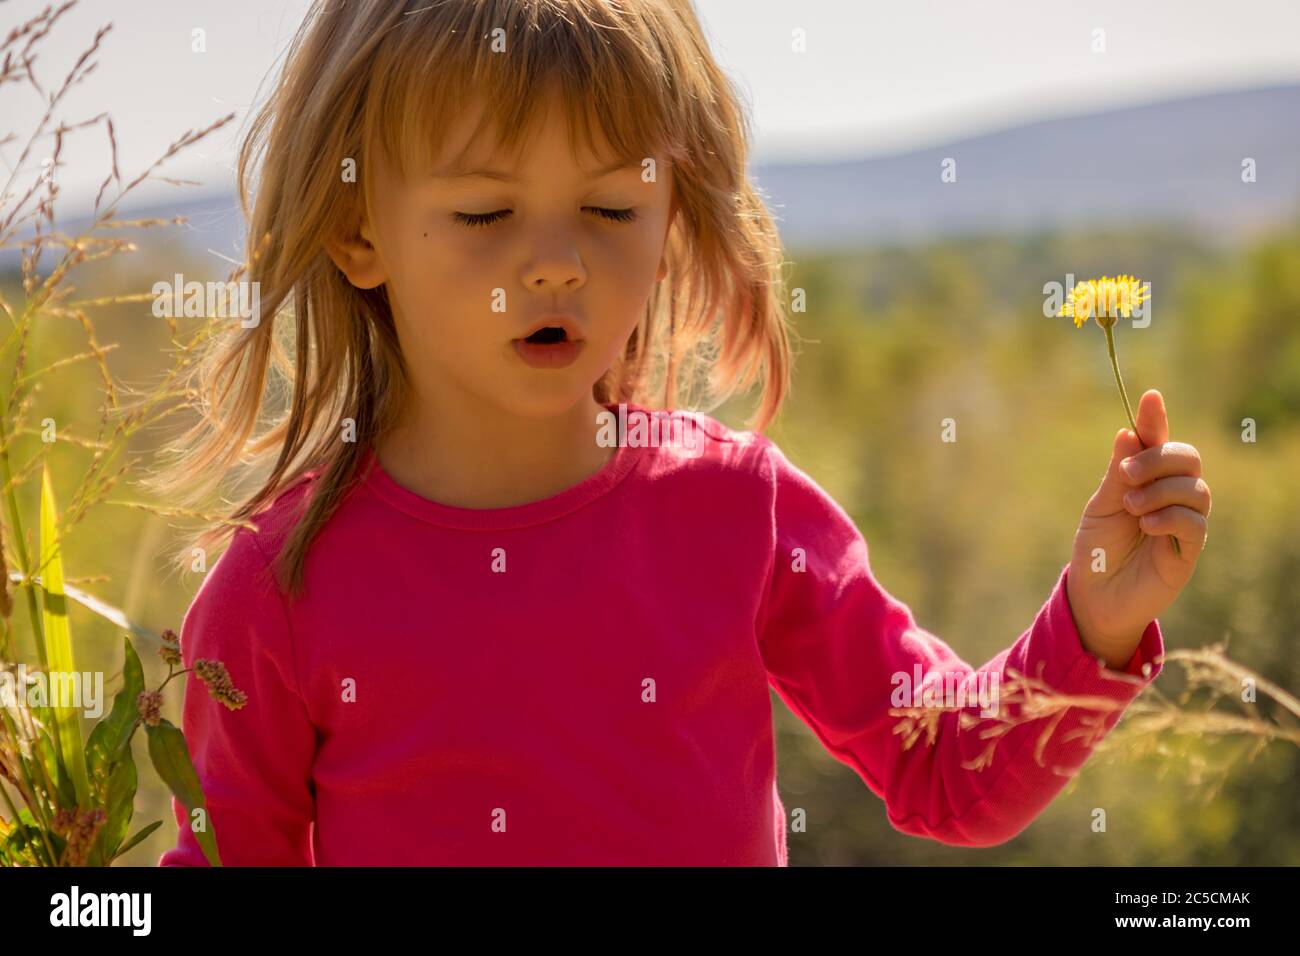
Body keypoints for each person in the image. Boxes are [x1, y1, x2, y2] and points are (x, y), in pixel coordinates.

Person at [152, 0, 1209, 866]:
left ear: (667, 228)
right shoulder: (276, 590)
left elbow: (947, 770)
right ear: (355, 231)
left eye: (612, 209)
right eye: (485, 214)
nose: (557, 261)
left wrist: (1094, 624)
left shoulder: (734, 508)